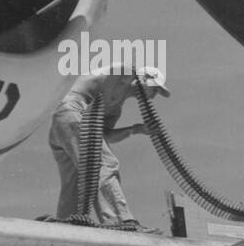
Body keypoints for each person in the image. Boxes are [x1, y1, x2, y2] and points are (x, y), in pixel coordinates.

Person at [48, 65, 169, 228]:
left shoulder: (115, 108)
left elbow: (105, 136)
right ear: (145, 80)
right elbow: (123, 68)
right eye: (155, 89)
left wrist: (135, 129)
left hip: (63, 125)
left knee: (76, 178)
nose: (154, 96)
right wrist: (136, 77)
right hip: (72, 112)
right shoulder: (119, 76)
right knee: (105, 163)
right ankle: (121, 220)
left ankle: (67, 226)